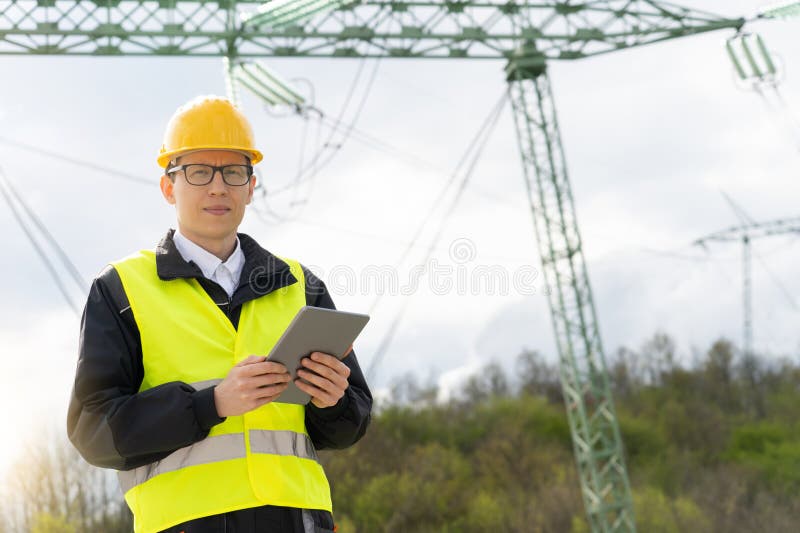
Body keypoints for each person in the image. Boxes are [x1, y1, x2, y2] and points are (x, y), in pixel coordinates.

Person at [67, 95, 372, 533]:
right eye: (198, 171)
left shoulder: (301, 285)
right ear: (168, 186)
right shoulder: (120, 291)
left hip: (299, 522)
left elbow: (349, 426)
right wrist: (211, 404)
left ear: (251, 185)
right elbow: (92, 432)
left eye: (233, 171)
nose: (217, 187)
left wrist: (334, 401)